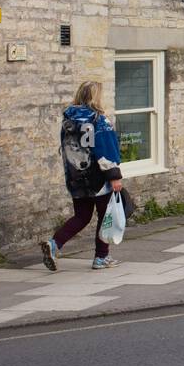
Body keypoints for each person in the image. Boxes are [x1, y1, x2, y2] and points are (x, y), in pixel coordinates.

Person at [41, 81, 124, 271]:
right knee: (105, 217)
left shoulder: (68, 121)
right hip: (99, 178)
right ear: (96, 97)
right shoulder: (99, 120)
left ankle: (54, 244)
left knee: (82, 216)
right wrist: (114, 175)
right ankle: (101, 257)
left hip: (76, 177)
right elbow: (106, 150)